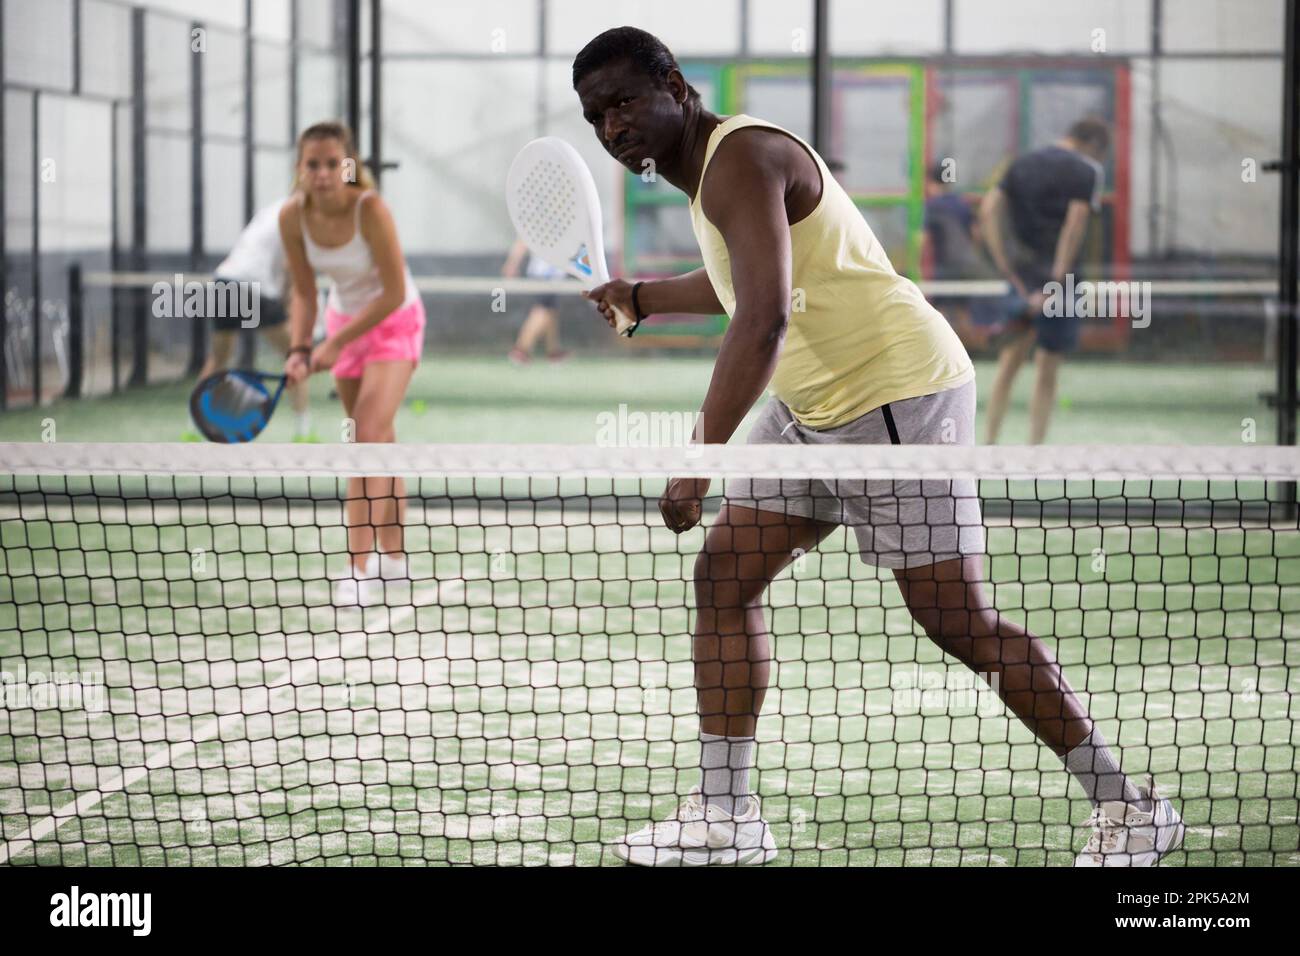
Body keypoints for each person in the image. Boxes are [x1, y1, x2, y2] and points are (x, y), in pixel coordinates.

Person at [576, 28, 1180, 867]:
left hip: (898, 396)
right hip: (812, 402)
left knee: (957, 623)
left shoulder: (742, 159)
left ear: (674, 84)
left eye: (625, 102)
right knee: (724, 578)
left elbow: (763, 319)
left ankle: (1130, 806)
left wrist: (698, 461)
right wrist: (643, 294)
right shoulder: (711, 175)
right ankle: (726, 816)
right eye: (597, 115)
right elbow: (750, 284)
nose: (613, 128)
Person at [280, 120, 426, 608]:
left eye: (331, 163)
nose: (322, 173)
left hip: (395, 321)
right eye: (311, 164)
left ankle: (356, 570)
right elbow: (304, 291)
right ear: (300, 169)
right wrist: (302, 348)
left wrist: (333, 343)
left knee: (365, 436)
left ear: (348, 165)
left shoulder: (371, 210)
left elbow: (394, 293)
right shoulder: (291, 217)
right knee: (378, 440)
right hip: (344, 320)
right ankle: (395, 560)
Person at [979, 118, 1111, 444]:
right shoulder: (1088, 171)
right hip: (1061, 282)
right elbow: (1076, 222)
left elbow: (988, 209)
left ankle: (989, 444)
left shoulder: (1020, 164)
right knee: (1048, 366)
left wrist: (1005, 267)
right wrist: (1056, 280)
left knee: (1009, 361)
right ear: (1094, 145)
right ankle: (1035, 452)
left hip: (1022, 276)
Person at [183, 200, 316, 442]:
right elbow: (291, 266)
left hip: (224, 280)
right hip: (254, 288)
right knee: (295, 357)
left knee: (218, 359)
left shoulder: (270, 210)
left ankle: (192, 426)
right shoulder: (299, 215)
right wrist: (287, 299)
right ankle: (303, 432)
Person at [501, 238, 570, 364]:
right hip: (544, 275)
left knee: (550, 311)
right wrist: (512, 264)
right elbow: (522, 240)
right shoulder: (543, 223)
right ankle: (521, 349)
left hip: (553, 275)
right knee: (542, 311)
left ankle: (553, 351)